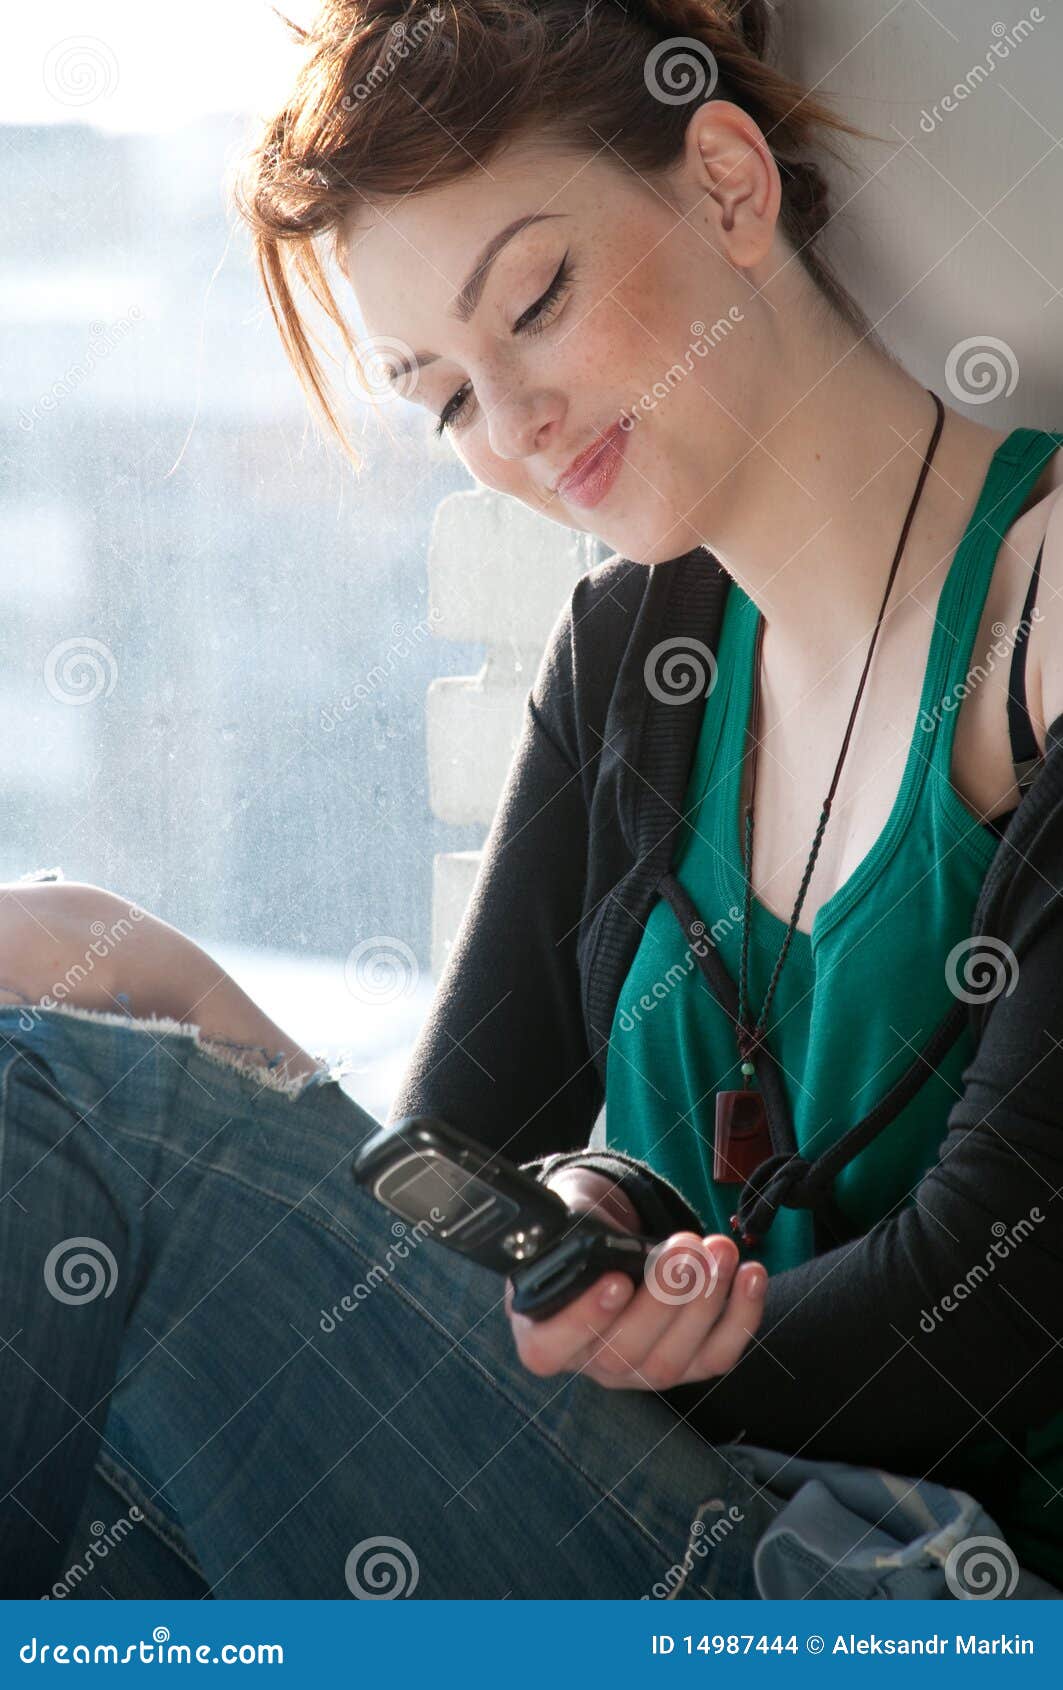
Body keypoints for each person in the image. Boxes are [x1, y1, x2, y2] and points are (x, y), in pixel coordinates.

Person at [1, 0, 1061, 1600]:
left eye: (537, 302)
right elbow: (432, 1226)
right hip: (666, 1534)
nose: (509, 429)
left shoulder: (1046, 616)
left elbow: (985, 1316)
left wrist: (604, 1344)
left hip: (926, 1601)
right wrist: (193, 998)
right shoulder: (635, 657)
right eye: (440, 398)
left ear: (728, 185)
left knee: (56, 1112)